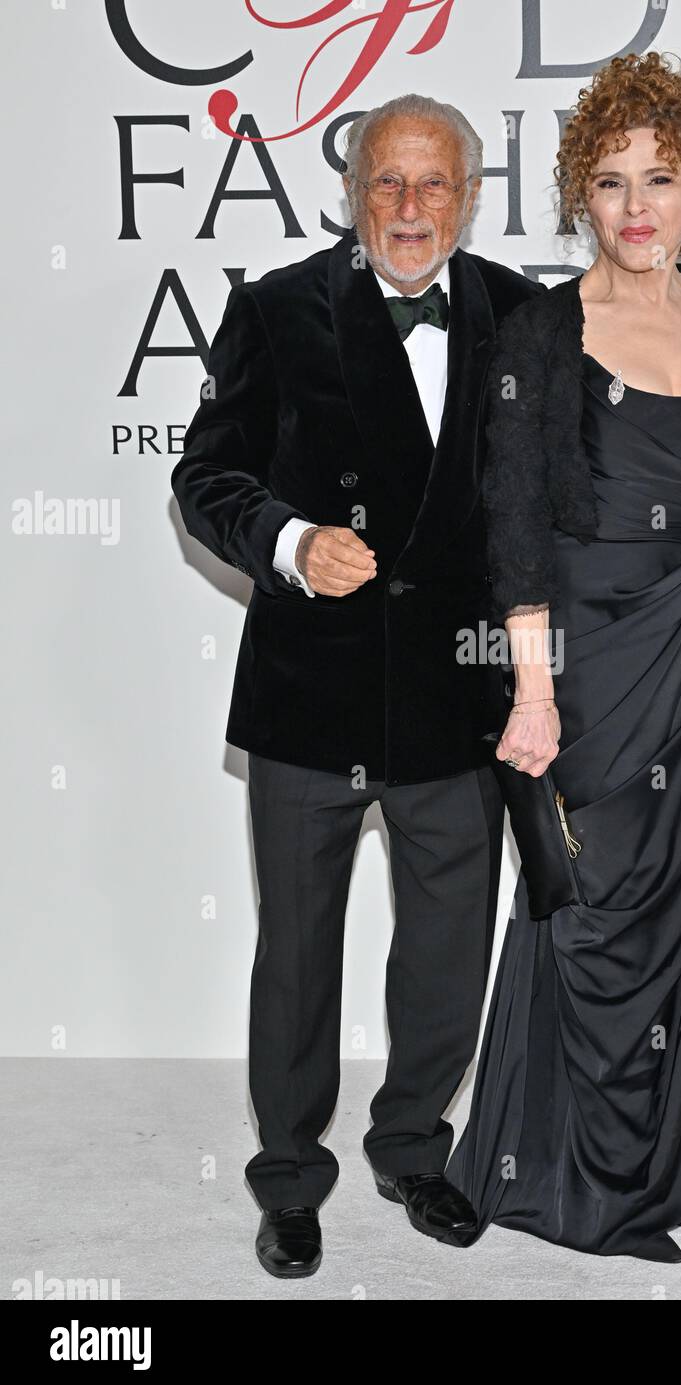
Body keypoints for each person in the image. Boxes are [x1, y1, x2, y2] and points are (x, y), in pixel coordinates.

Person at [170, 94, 550, 1278]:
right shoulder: (275, 308)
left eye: (434, 185)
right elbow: (204, 474)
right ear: (352, 192)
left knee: (448, 947)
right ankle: (288, 1177)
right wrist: (286, 541)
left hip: (456, 699)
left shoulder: (526, 317)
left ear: (472, 198)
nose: (409, 207)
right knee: (298, 952)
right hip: (307, 696)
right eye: (387, 181)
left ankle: (413, 1145)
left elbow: (574, 490)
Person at [445, 52, 681, 1263]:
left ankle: (666, 1168)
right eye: (609, 182)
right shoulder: (544, 331)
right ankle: (577, 1180)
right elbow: (516, 527)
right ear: (576, 198)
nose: (636, 205)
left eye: (660, 177)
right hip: (584, 662)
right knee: (593, 907)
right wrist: (532, 692)